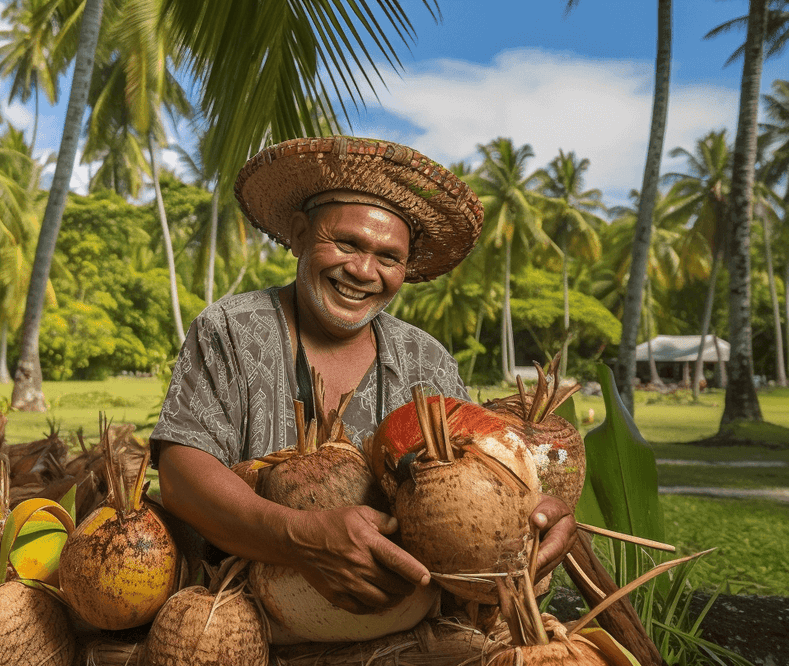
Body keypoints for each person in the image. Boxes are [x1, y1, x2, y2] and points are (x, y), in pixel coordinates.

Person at [150, 136, 576, 619]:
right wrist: (298, 538)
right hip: (240, 620)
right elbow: (182, 474)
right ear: (298, 233)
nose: (363, 271)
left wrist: (534, 515)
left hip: (402, 628)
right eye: (346, 243)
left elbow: (483, 476)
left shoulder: (426, 361)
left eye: (389, 257)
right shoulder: (231, 329)